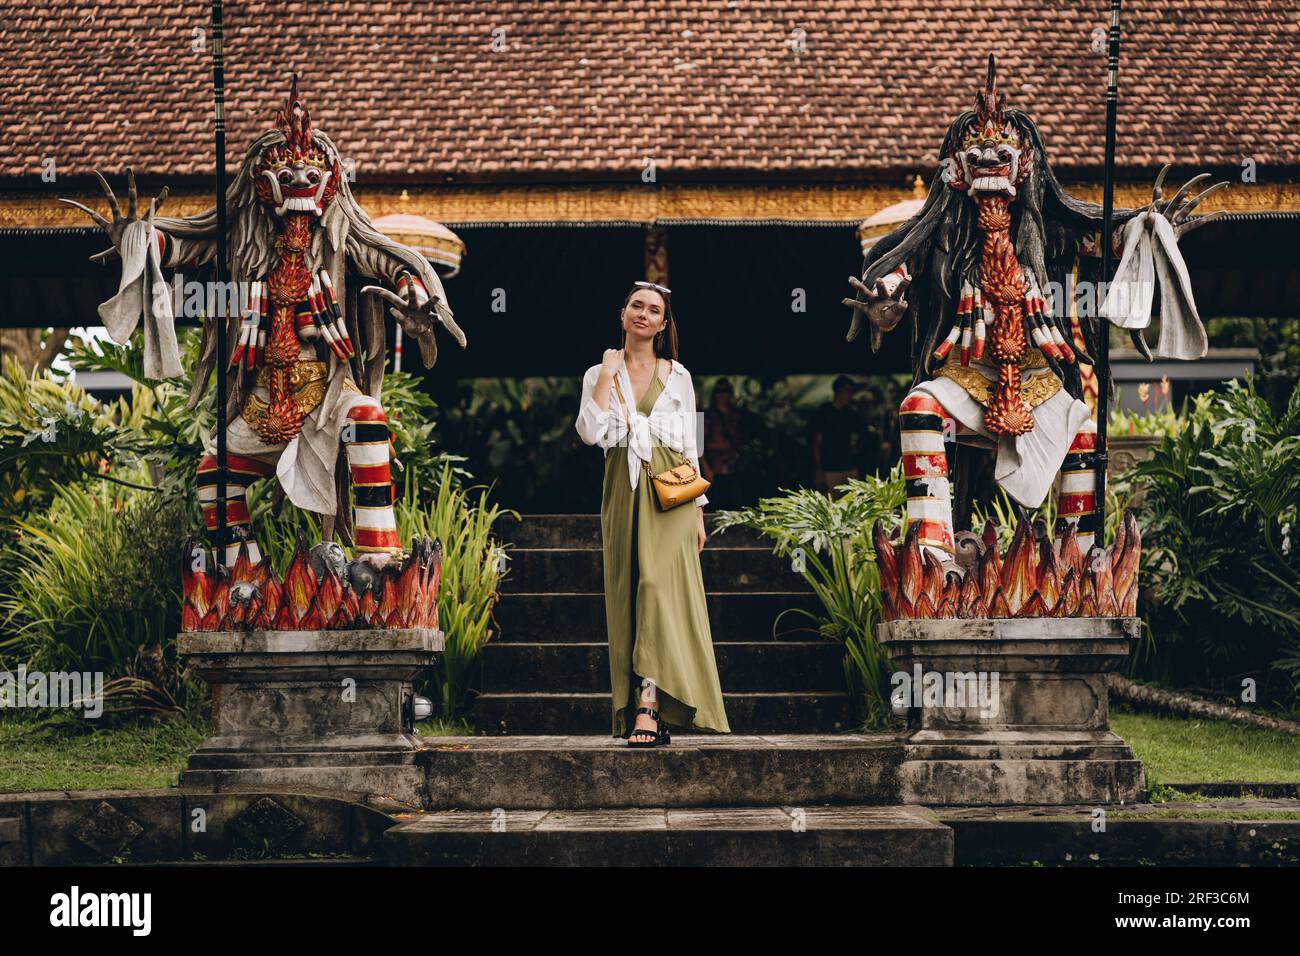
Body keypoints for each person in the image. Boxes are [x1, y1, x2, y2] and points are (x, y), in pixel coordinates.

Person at [575, 281, 731, 746]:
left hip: (672, 490)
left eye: (654, 310)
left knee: (658, 587)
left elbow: (690, 445)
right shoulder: (597, 372)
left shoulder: (678, 374)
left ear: (664, 324)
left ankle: (650, 704)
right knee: (629, 589)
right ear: (622, 314)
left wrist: (699, 511)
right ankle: (636, 703)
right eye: (636, 307)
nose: (644, 314)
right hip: (621, 486)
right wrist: (606, 374)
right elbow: (590, 433)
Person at [812, 375, 867, 496]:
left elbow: (861, 435)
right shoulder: (824, 412)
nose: (850, 395)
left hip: (849, 467)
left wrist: (856, 450)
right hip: (831, 469)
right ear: (839, 392)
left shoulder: (852, 413)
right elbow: (816, 443)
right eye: (848, 391)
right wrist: (819, 471)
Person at [701, 378, 742, 509]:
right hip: (713, 468)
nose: (722, 395)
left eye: (725, 391)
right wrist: (707, 470)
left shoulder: (736, 415)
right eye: (719, 391)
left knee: (733, 505)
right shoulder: (706, 415)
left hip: (732, 467)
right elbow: (696, 446)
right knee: (713, 505)